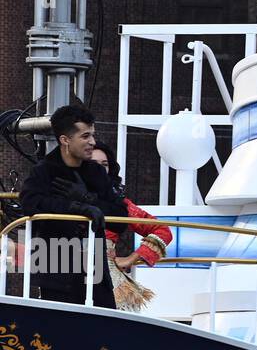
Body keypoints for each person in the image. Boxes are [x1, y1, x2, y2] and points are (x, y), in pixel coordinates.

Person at [18, 105, 127, 308]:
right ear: (65, 140)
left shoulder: (96, 172)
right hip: (55, 263)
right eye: (85, 136)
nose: (92, 142)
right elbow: (30, 203)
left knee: (104, 327)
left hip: (94, 267)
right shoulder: (44, 171)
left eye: (92, 135)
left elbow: (121, 218)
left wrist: (88, 199)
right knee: (60, 329)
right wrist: (76, 207)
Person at [89, 142, 172, 313]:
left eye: (104, 165)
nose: (99, 169)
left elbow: (163, 230)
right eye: (93, 164)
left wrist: (131, 259)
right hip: (64, 270)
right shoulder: (63, 198)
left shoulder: (119, 205)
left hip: (107, 277)